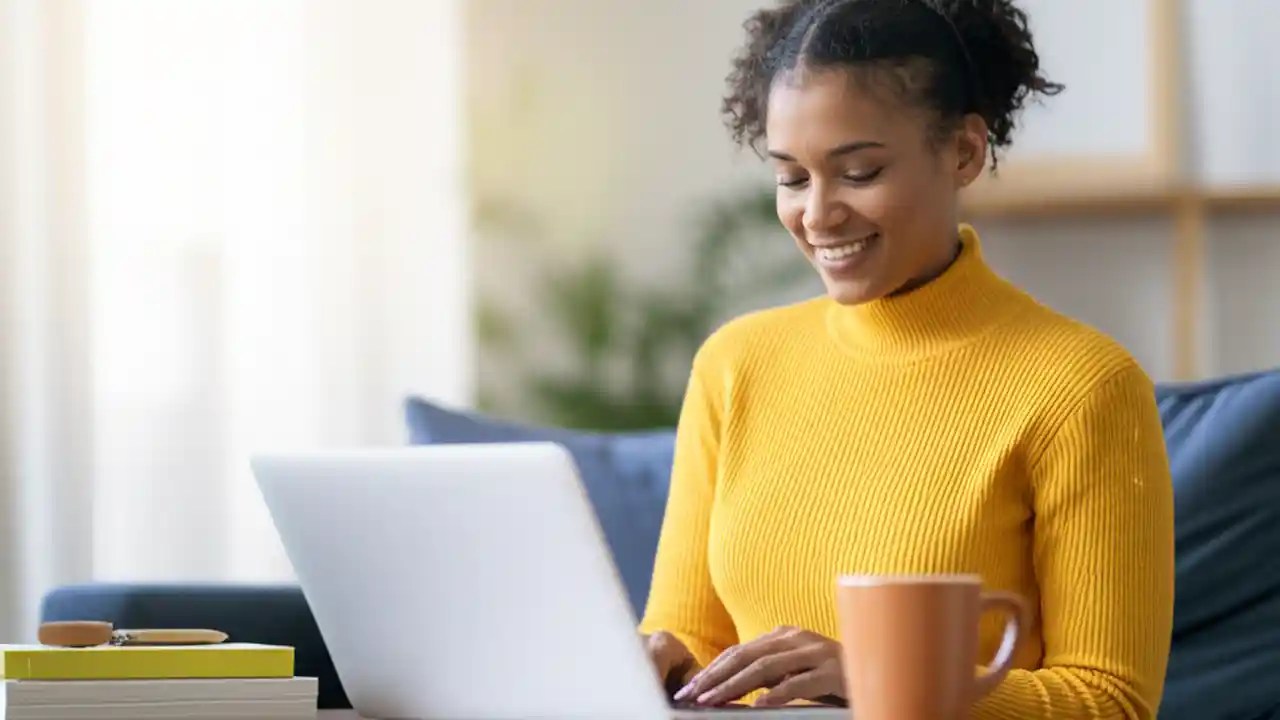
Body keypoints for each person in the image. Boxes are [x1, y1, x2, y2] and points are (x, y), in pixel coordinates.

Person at [637, 0, 1175, 718]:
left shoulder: (1083, 388)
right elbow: (694, 642)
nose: (818, 214)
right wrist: (656, 664)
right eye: (792, 178)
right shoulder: (734, 365)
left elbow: (1112, 702)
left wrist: (882, 678)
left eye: (858, 172)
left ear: (963, 152)